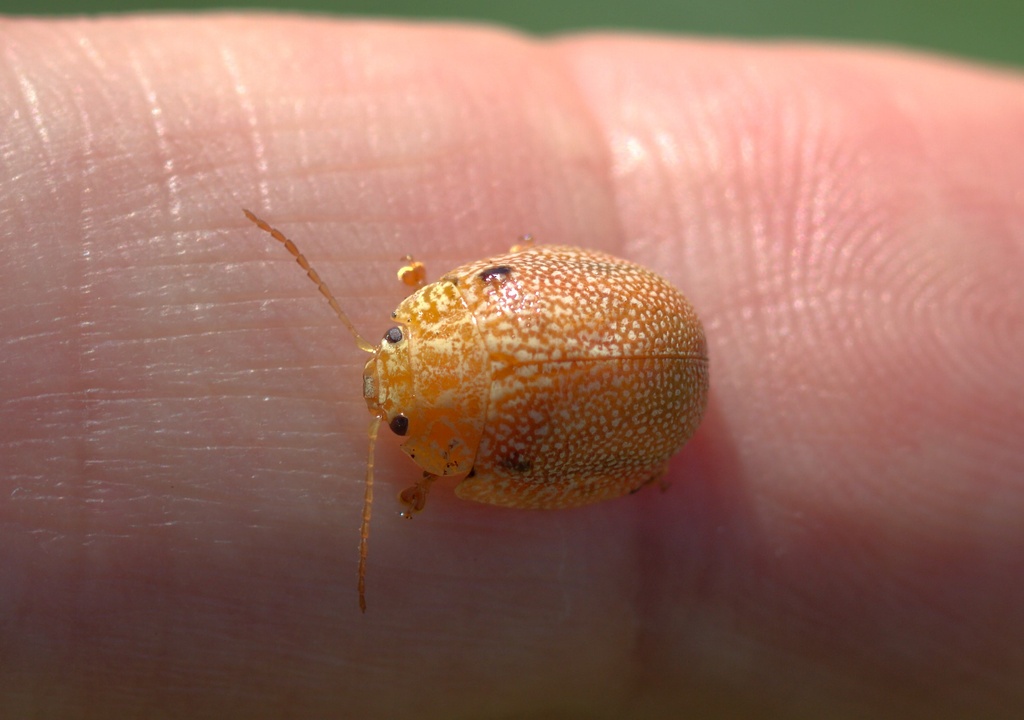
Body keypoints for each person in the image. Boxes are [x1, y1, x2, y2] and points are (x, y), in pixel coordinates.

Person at [2, 15, 1022, 719]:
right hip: (638, 351)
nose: (380, 387)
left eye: (393, 387)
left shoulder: (466, 456)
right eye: (399, 414)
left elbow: (526, 477)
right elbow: (519, 287)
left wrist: (573, 468)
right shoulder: (445, 315)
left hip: (642, 369)